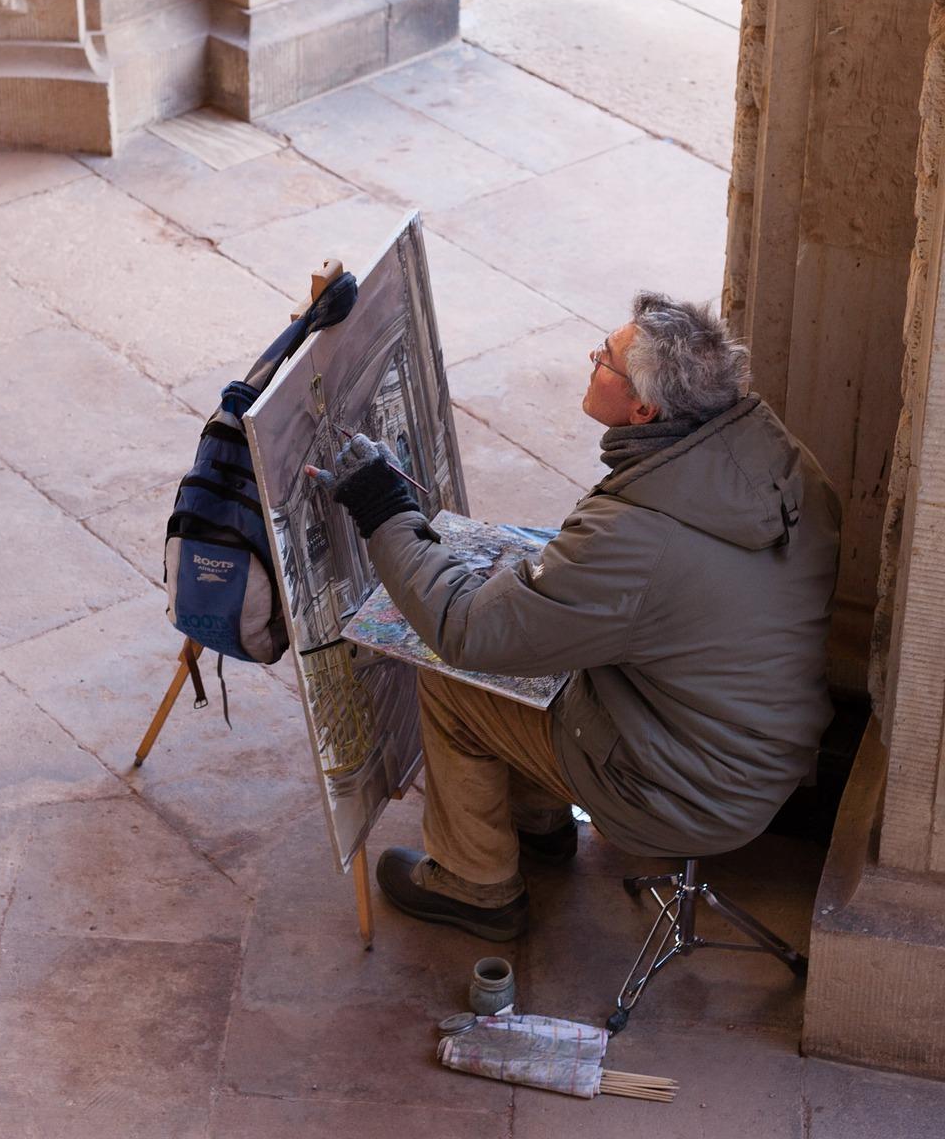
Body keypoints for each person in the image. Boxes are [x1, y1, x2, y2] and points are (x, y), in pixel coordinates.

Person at [308, 292, 841, 941]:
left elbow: (467, 631)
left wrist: (383, 509)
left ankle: (476, 884)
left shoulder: (635, 537)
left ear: (644, 409)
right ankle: (541, 824)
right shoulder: (779, 458)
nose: (591, 361)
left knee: (451, 677)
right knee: (543, 621)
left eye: (605, 360)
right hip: (767, 750)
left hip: (688, 794)